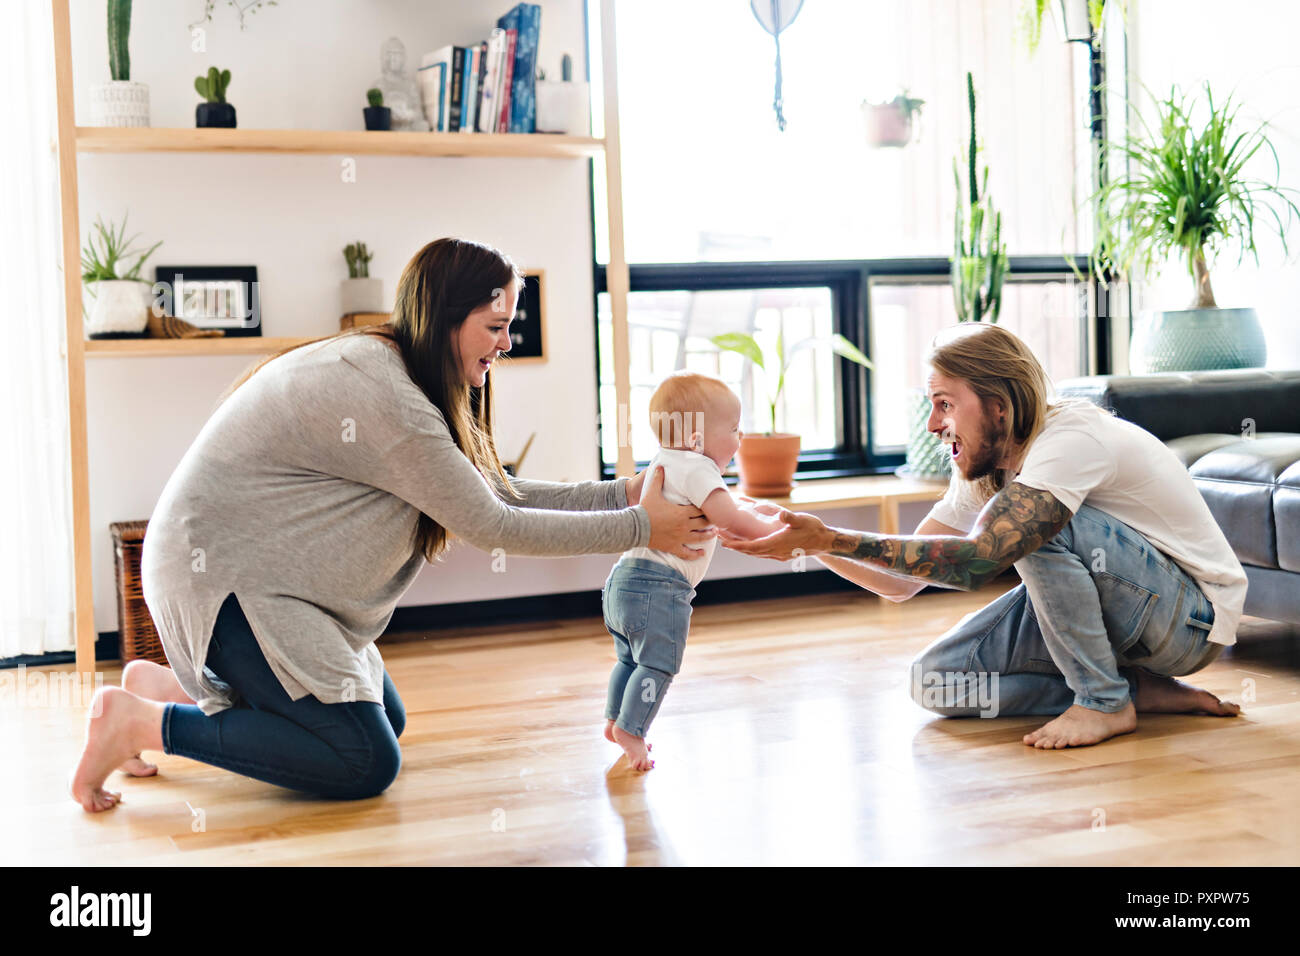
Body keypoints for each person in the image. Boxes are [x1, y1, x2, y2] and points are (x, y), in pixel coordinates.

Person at [70, 237, 714, 811]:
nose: (506, 342)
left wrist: (621, 494)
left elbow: (496, 489)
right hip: (226, 579)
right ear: (448, 320)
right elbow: (493, 524)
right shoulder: (385, 395)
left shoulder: (404, 372)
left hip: (271, 582)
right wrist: (639, 527)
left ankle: (164, 690)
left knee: (386, 721)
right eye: (495, 325)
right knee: (361, 759)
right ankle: (139, 723)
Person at [725, 322, 1244, 749]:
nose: (933, 424)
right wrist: (809, 542)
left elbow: (977, 561)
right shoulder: (987, 461)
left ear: (999, 405)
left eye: (945, 404)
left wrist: (831, 538)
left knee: (1029, 525)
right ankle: (1133, 690)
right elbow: (899, 584)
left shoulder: (1069, 439)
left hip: (1190, 621)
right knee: (935, 682)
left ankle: (1102, 702)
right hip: (1123, 611)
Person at [602, 372, 780, 770]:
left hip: (622, 582)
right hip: (659, 590)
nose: (740, 438)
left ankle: (615, 719)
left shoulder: (663, 462)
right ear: (698, 438)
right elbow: (728, 518)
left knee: (629, 661)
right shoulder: (699, 468)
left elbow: (726, 508)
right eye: (734, 429)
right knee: (659, 665)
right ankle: (632, 729)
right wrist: (775, 532)